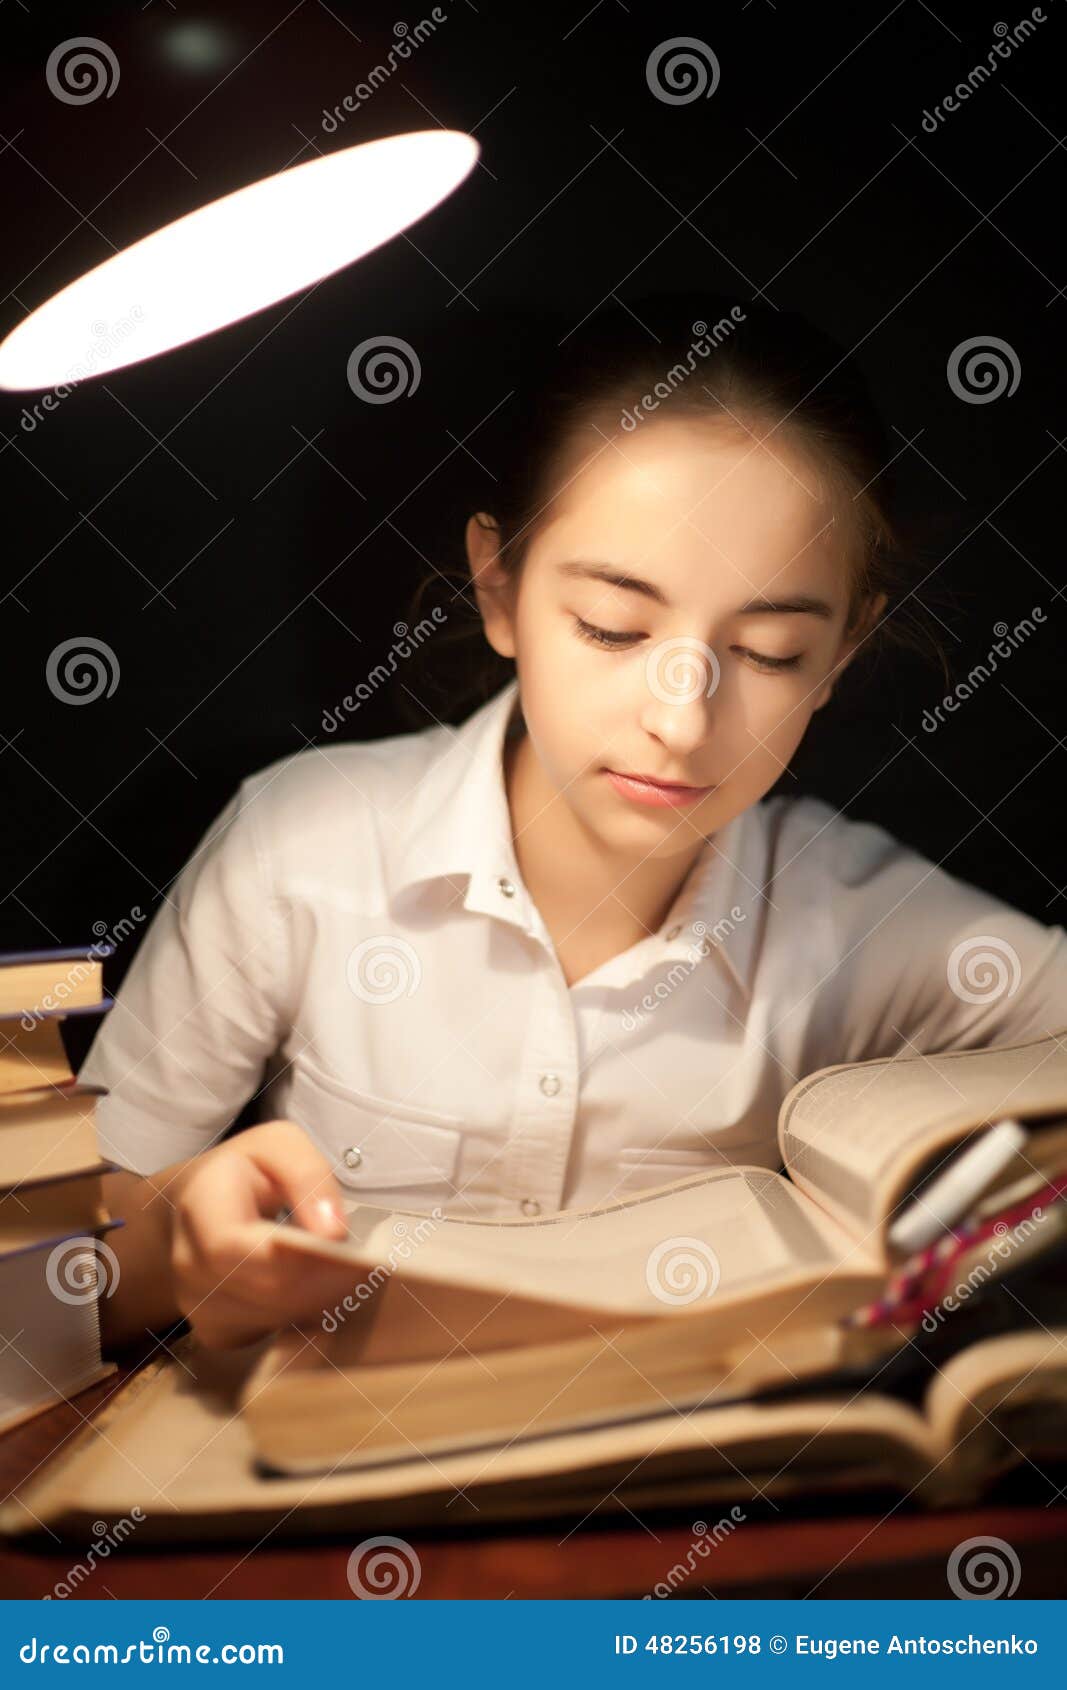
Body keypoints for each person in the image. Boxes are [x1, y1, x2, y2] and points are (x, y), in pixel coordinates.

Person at [82, 293, 1067, 1353]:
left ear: (841, 651)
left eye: (771, 651)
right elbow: (58, 1266)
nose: (681, 720)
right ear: (497, 588)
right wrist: (178, 1245)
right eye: (611, 628)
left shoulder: (857, 917)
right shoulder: (302, 844)